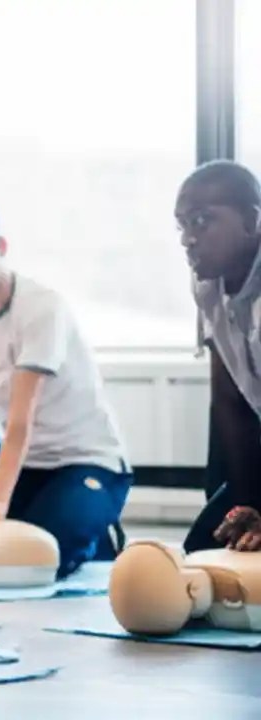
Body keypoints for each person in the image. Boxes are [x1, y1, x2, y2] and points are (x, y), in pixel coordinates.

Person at [0, 196, 133, 578]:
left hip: (84, 458)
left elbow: (22, 415)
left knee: (43, 555)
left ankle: (101, 531)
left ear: (1, 247)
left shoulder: (42, 306)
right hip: (26, 460)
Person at [174, 160, 261, 552]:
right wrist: (248, 502)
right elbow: (229, 399)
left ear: (252, 221)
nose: (187, 239)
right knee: (200, 556)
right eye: (182, 225)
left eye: (202, 221)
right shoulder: (206, 285)